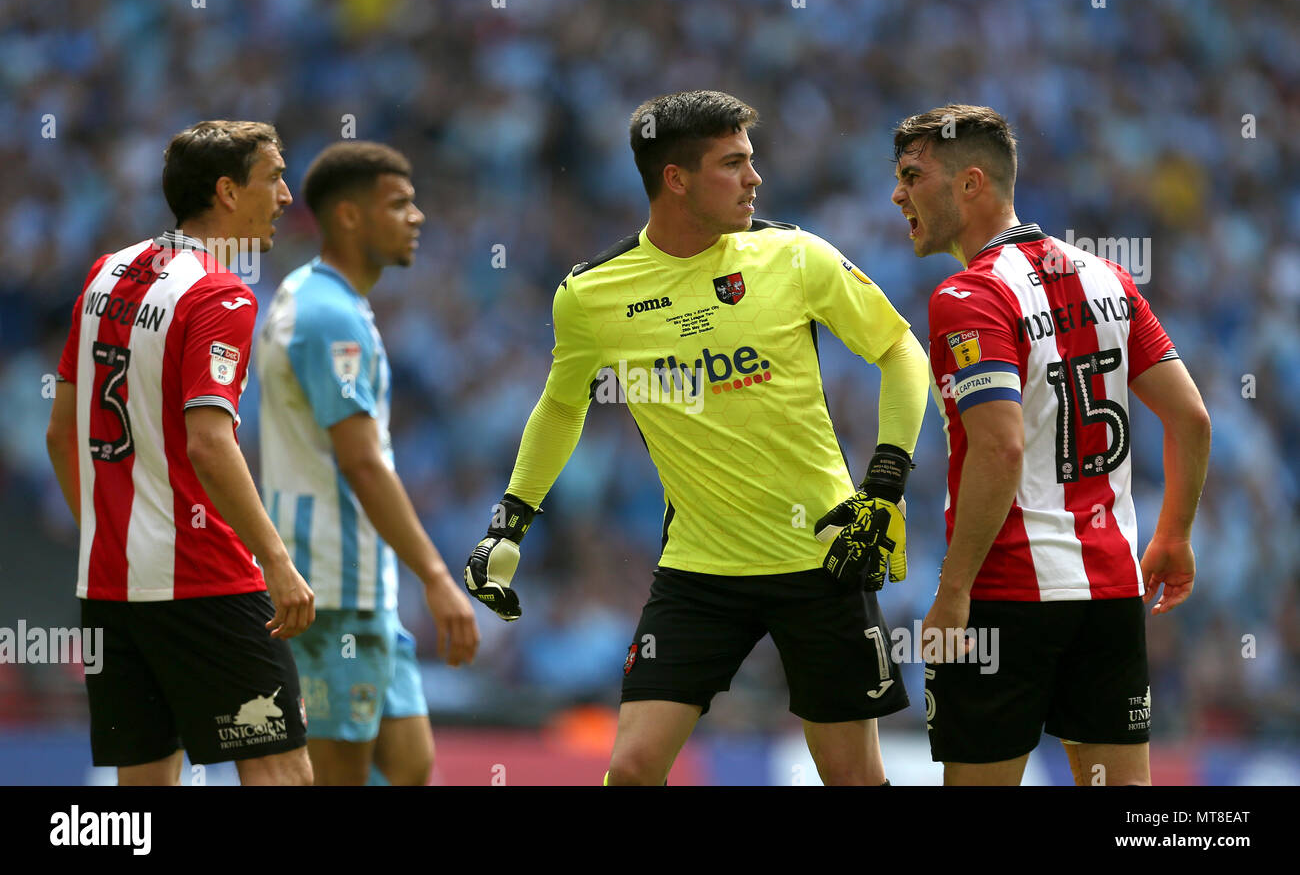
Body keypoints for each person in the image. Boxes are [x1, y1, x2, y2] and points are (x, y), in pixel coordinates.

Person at [464, 90, 931, 786]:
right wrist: (511, 521)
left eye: (751, 161)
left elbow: (900, 349)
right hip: (700, 573)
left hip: (824, 555)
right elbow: (562, 408)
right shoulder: (591, 295)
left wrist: (884, 484)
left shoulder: (794, 256)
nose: (755, 179)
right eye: (733, 163)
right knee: (631, 768)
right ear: (676, 179)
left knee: (854, 779)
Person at [889, 104, 1212, 785]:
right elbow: (1191, 418)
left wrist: (952, 592)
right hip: (1109, 592)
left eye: (913, 177)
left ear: (970, 183)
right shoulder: (1109, 278)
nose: (898, 195)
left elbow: (1000, 450)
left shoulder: (967, 296)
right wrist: (1174, 535)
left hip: (1006, 596)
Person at [44, 120, 315, 786]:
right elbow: (209, 443)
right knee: (283, 773)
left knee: (141, 796)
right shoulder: (220, 294)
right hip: (205, 580)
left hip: (109, 583)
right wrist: (276, 562)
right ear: (227, 191)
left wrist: (111, 534)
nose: (285, 195)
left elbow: (60, 433)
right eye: (273, 177)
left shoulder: (106, 273)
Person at [256, 141, 480, 786]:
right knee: (338, 779)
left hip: (362, 589)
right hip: (330, 586)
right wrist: (437, 578)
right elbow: (359, 461)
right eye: (400, 204)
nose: (418, 217)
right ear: (349, 216)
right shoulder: (329, 318)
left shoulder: (322, 300)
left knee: (409, 768)